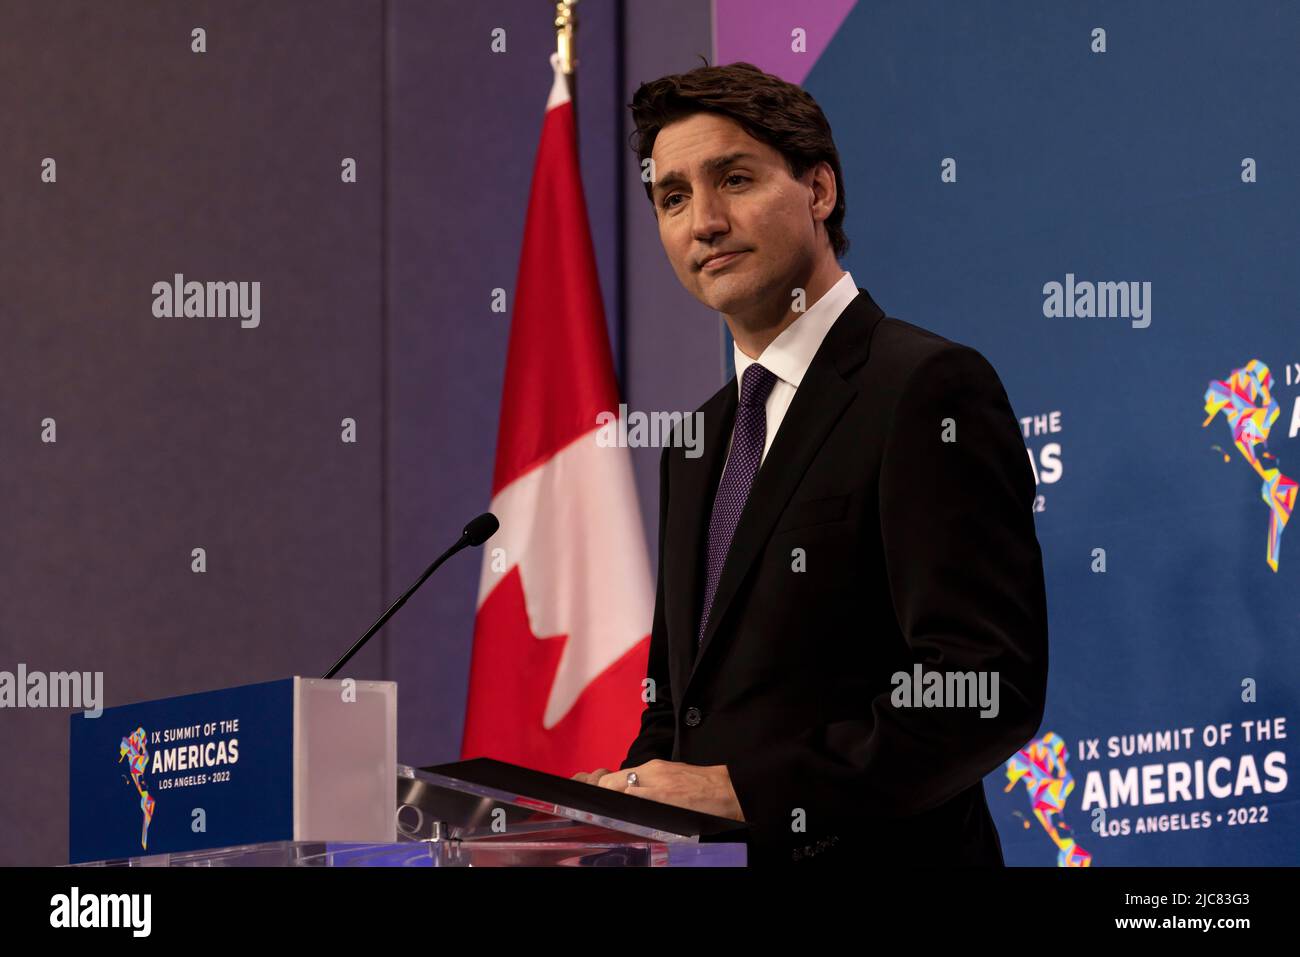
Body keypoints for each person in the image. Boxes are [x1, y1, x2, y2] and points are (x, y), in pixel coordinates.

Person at [574, 62, 1048, 866]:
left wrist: (750, 791)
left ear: (819, 190)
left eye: (734, 179)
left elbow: (981, 689)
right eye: (673, 197)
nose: (705, 223)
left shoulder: (924, 388)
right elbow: (679, 711)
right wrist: (611, 815)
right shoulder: (697, 439)